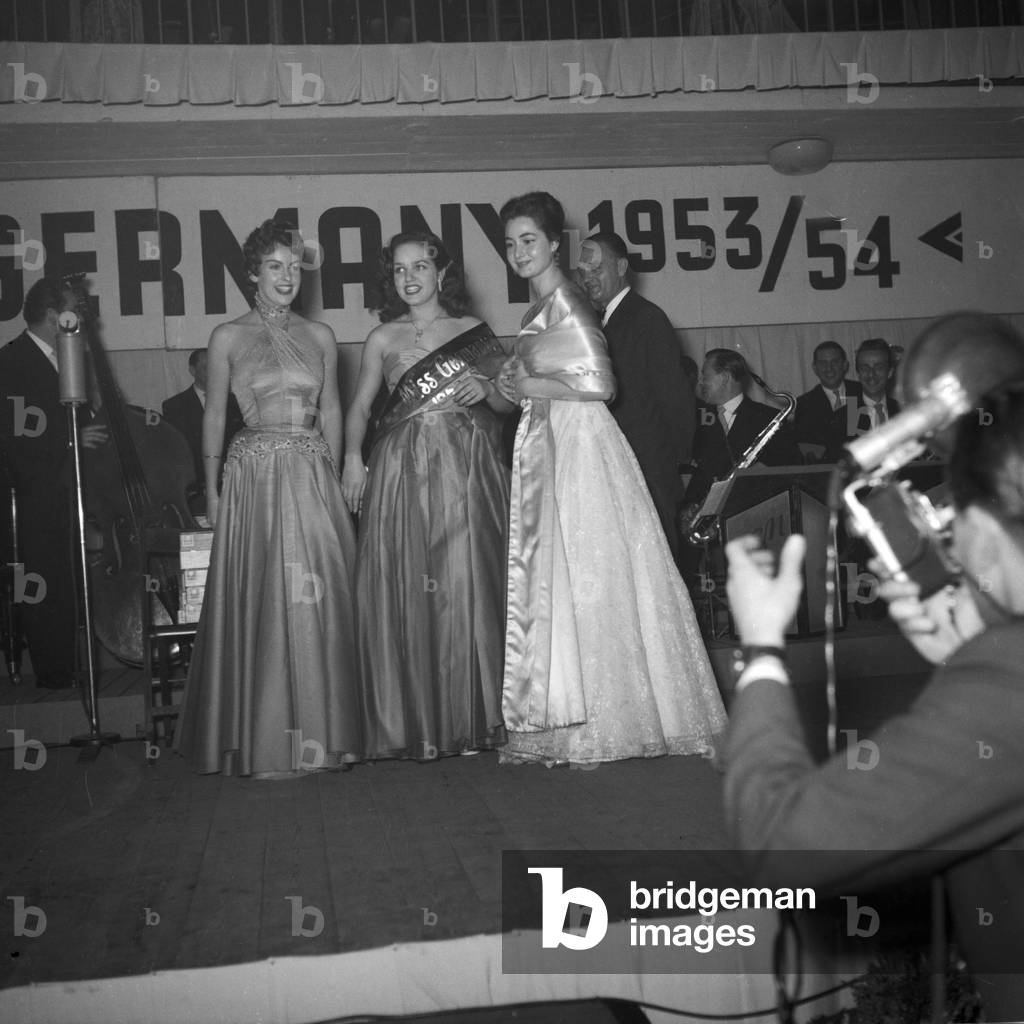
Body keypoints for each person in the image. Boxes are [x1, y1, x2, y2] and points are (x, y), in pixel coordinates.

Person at [722, 325, 1024, 1018]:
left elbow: (782, 846)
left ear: (974, 538)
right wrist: (970, 653)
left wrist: (763, 648)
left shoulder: (1005, 685)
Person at [495, 191, 726, 768]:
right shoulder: (540, 307)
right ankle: (573, 710)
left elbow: (602, 386)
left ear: (554, 244)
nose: (519, 252)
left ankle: (611, 717)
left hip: (583, 446)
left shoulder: (569, 300)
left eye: (529, 241)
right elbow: (552, 376)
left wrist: (532, 387)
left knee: (594, 574)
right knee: (572, 576)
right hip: (557, 441)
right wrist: (515, 384)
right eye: (510, 243)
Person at [175, 219, 361, 778]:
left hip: (310, 471)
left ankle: (328, 737)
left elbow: (331, 410)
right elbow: (212, 415)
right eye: (274, 266)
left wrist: (335, 471)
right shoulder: (227, 336)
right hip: (251, 473)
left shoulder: (321, 335)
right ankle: (262, 739)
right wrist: (210, 488)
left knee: (322, 593)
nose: (286, 277)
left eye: (294, 266)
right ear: (253, 273)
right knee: (260, 593)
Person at [341, 231, 511, 760]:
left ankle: (474, 717)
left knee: (468, 582)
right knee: (412, 587)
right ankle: (418, 720)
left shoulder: (474, 332)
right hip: (402, 470)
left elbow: (511, 401)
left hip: (467, 467)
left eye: (420, 266)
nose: (410, 277)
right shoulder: (382, 338)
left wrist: (489, 391)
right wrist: (352, 457)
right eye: (398, 269)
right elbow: (362, 407)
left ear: (442, 273)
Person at [0, 278, 107, 689]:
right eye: (73, 309)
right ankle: (54, 672)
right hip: (37, 488)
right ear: (52, 316)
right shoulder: (12, 360)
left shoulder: (66, 356)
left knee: (66, 572)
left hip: (68, 483)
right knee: (44, 575)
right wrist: (71, 440)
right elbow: (15, 428)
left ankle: (71, 664)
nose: (80, 318)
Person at [577, 231, 694, 561]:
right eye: (583, 273)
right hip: (621, 476)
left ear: (622, 266)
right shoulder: (601, 324)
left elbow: (676, 401)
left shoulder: (646, 318)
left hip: (648, 476)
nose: (589, 280)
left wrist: (664, 467)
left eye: (597, 269)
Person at [682, 348, 799, 514]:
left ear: (724, 378)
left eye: (705, 376)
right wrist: (690, 504)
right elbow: (701, 472)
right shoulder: (700, 418)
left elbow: (791, 466)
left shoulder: (769, 418)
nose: (701, 382)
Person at [161, 348, 244, 516]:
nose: (214, 373)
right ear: (192, 370)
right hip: (195, 489)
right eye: (207, 368)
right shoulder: (174, 406)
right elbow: (178, 452)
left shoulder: (237, 403)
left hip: (232, 485)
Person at [793, 341, 861, 462]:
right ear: (815, 368)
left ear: (845, 365)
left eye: (834, 362)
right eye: (823, 363)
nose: (829, 368)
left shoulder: (862, 393)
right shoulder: (804, 404)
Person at [852, 337, 900, 434]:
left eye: (879, 368)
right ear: (858, 374)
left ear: (890, 372)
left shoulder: (904, 413)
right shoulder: (842, 417)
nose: (871, 374)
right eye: (865, 368)